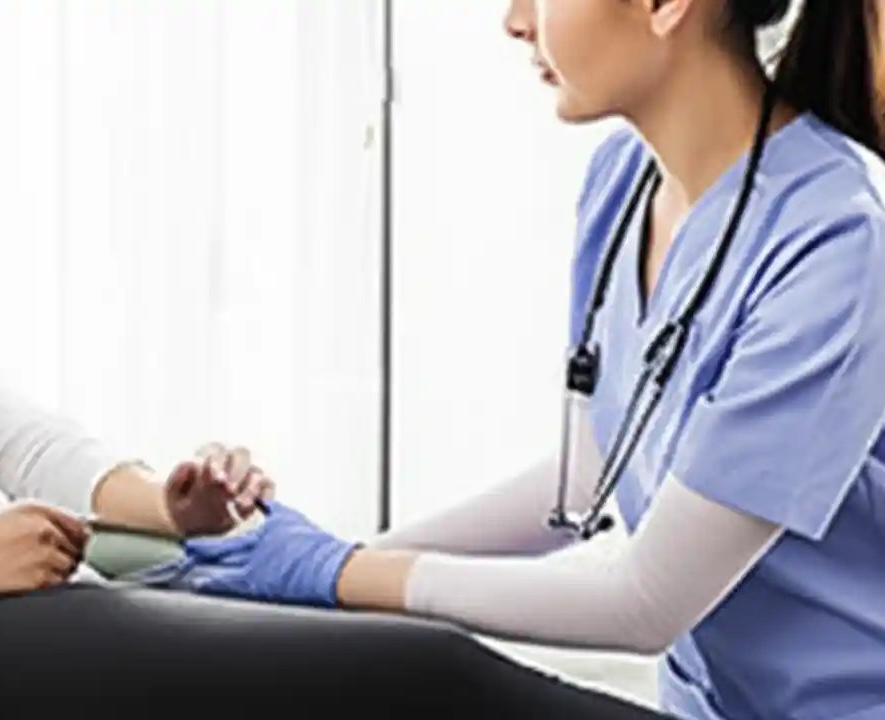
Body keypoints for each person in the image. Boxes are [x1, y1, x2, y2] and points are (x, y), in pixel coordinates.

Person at [0, 3, 676, 717]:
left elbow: (29, 445)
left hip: (48, 594)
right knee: (425, 674)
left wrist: (169, 503)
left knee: (412, 648)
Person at [174, 2, 885, 719]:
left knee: (435, 680)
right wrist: (313, 560)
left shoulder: (838, 240)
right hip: (702, 707)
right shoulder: (623, 183)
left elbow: (647, 603)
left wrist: (337, 572)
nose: (515, 21)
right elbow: (585, 479)